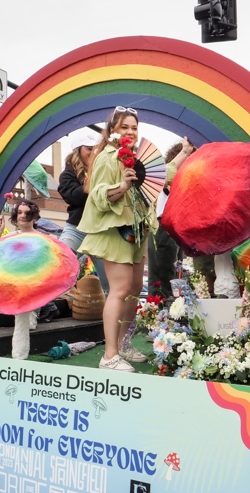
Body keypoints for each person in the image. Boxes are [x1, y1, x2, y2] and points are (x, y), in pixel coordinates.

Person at [77, 106, 156, 372]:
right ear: (112, 130)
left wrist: (183, 153)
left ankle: (123, 344)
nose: (131, 132)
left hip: (137, 230)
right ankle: (109, 355)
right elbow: (98, 195)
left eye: (134, 127)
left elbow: (160, 175)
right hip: (114, 230)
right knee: (120, 290)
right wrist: (122, 186)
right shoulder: (106, 157)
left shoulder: (136, 158)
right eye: (125, 127)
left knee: (134, 288)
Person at [58, 130, 108, 292]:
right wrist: (89, 184)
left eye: (96, 149)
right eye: (88, 148)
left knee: (110, 283)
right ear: (78, 151)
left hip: (100, 231)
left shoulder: (104, 169)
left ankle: (111, 308)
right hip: (77, 228)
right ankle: (47, 303)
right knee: (59, 264)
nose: (93, 152)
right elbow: (72, 196)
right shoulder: (68, 174)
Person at [147, 138, 195, 300]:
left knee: (174, 277)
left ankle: (169, 308)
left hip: (171, 229)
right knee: (163, 281)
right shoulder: (168, 182)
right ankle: (159, 310)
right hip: (163, 228)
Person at [9, 200, 60, 323]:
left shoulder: (42, 238)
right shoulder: (10, 236)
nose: (23, 216)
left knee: (30, 318)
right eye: (19, 212)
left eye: (27, 213)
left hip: (34, 280)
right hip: (16, 279)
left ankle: (35, 315)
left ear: (34, 217)